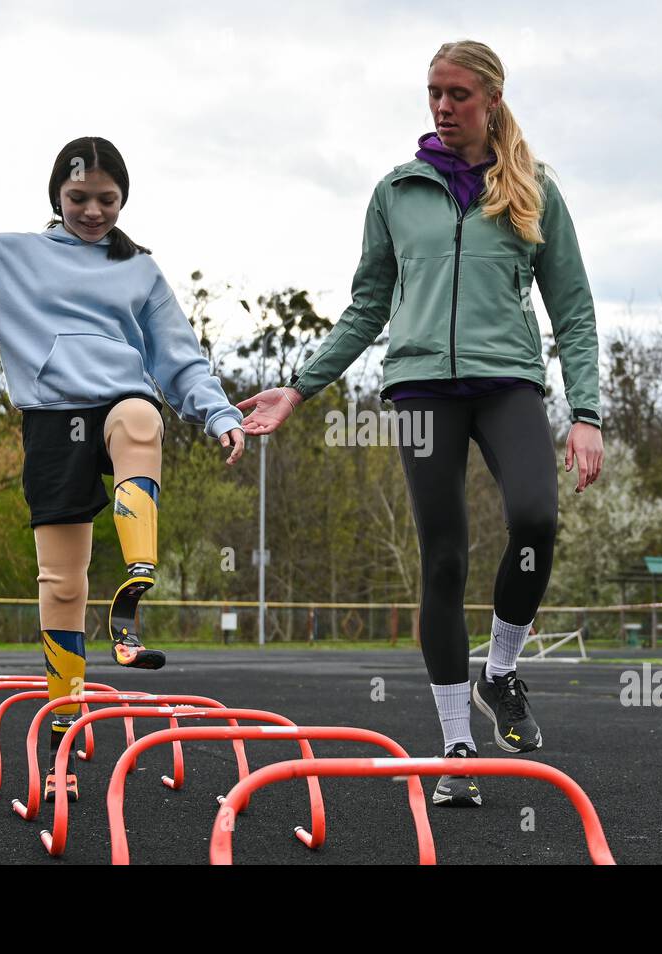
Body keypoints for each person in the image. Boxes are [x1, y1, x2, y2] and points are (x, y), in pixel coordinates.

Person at [239, 41, 603, 807]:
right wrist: (300, 390)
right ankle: (455, 749)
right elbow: (368, 304)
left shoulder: (537, 190)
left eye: (459, 94)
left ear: (492, 101)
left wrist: (587, 413)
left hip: (508, 384)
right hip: (419, 392)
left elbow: (572, 307)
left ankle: (499, 673)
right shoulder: (396, 192)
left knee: (535, 520)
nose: (443, 106)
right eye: (434, 92)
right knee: (442, 560)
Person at [0, 122, 246, 802]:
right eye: (80, 196)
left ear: (123, 201)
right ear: (58, 194)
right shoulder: (8, 260)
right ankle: (64, 712)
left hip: (119, 402)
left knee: (141, 416)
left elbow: (177, 357)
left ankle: (139, 577)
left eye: (108, 199)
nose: (93, 211)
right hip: (52, 419)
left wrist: (219, 412)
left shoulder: (138, 269)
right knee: (61, 582)